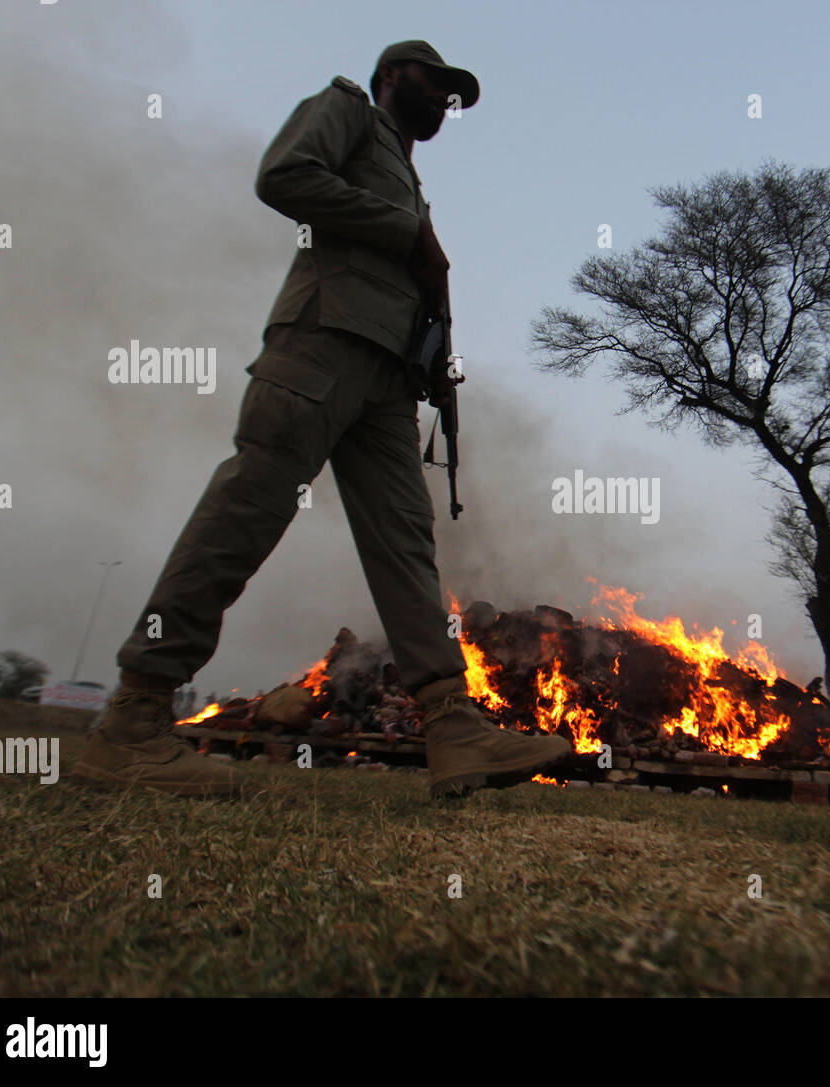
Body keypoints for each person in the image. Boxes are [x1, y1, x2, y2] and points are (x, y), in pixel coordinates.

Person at [70, 41, 569, 799]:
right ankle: (134, 717)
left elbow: (417, 276)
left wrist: (437, 362)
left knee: (407, 549)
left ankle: (452, 728)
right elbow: (284, 175)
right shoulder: (347, 114)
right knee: (248, 508)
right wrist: (405, 235)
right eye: (434, 84)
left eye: (451, 94)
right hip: (322, 344)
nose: (443, 100)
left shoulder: (410, 178)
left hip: (387, 382)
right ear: (393, 76)